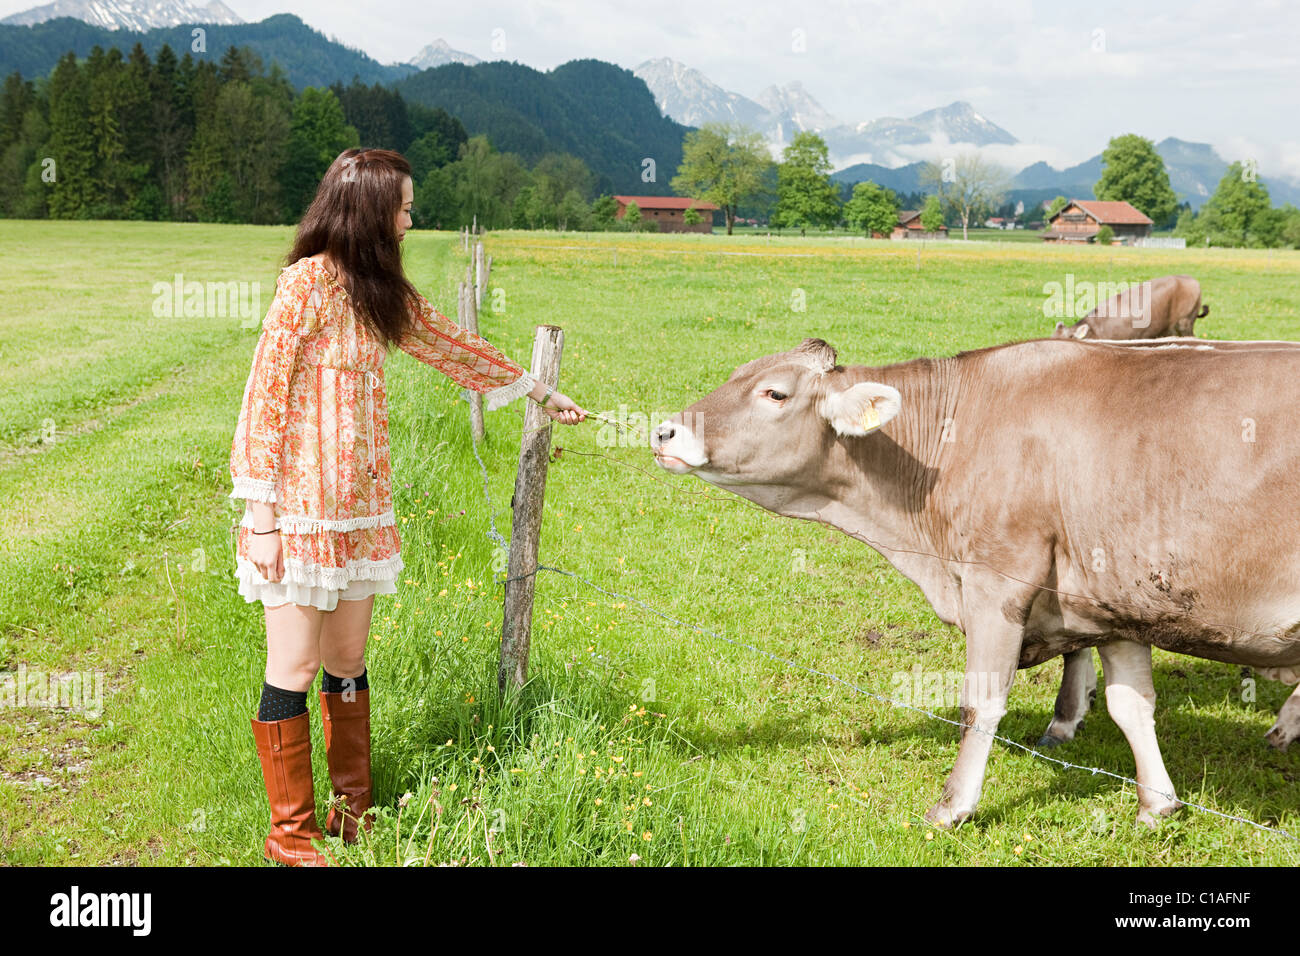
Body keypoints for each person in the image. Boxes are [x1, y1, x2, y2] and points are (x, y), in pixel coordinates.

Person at [229, 147, 587, 866]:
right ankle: (290, 836)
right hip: (297, 512)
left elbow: (451, 344)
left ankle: (350, 809)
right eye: (403, 206)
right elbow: (263, 398)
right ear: (369, 211)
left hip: (360, 509)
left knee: (349, 659)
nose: (410, 218)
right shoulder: (304, 286)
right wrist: (260, 515)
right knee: (292, 669)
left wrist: (538, 390)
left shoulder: (378, 289)